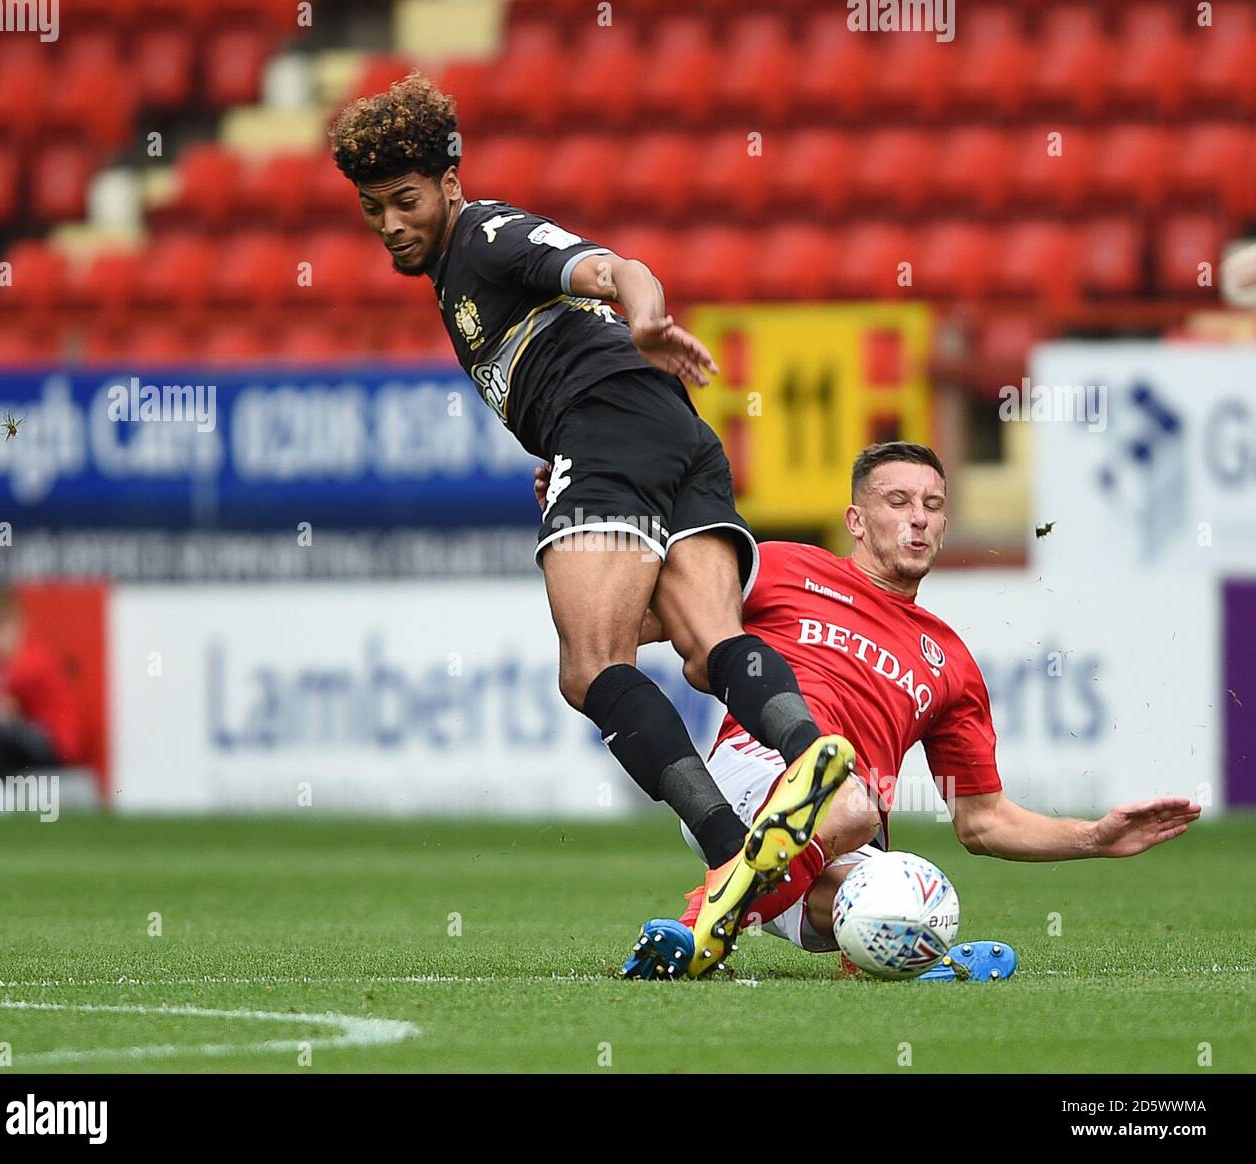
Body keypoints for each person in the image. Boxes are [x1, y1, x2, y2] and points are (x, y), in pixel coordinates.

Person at [330, 71, 854, 974]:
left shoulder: (485, 233)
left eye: (405, 200)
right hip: (667, 436)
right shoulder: (456, 269)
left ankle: (729, 852)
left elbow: (612, 269)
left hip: (612, 423)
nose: (390, 224)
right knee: (704, 643)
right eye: (374, 208)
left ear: (448, 184)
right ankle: (808, 751)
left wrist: (643, 316)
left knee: (591, 668)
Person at [539, 441, 1202, 977]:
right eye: (899, 500)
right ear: (857, 520)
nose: (919, 516)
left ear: (945, 524)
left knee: (916, 903)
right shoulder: (780, 567)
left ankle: (868, 945)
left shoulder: (952, 662)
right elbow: (649, 624)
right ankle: (700, 923)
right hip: (754, 771)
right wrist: (594, 538)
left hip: (834, 835)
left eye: (934, 505)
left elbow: (983, 821)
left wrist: (1095, 837)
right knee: (851, 798)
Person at [0, 585, 82, 784]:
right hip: (23, 739)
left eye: (1, 626)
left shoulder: (35, 658)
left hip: (55, 747)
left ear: (19, 620)